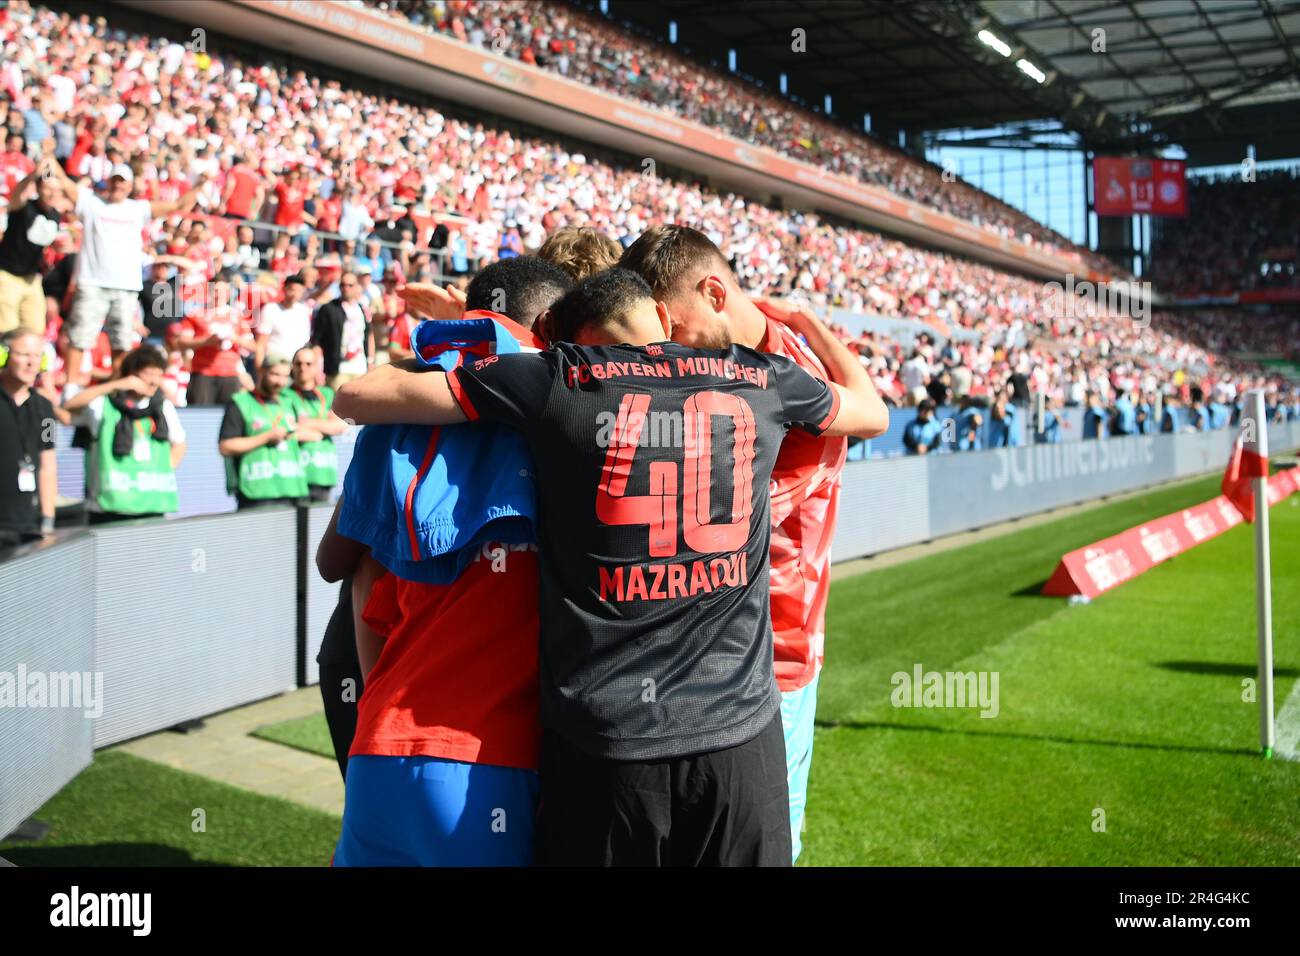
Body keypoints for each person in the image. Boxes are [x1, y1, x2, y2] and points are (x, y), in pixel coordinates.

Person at [335, 267, 888, 866]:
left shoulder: (562, 379)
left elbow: (358, 397)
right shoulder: (758, 376)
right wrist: (803, 319)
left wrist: (466, 331)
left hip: (606, 744)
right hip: (737, 734)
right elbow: (871, 412)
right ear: (662, 312)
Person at [620, 224, 876, 861]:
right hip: (709, 653)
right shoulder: (759, 340)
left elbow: (714, 516)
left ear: (711, 292)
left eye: (671, 329)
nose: (664, 350)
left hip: (771, 657)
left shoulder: (792, 390)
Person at [45, 159, 207, 385]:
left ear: (130, 186)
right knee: (80, 338)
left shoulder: (137, 209)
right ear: (108, 182)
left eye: (123, 182)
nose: (118, 186)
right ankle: (71, 387)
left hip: (125, 287)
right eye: (115, 181)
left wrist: (199, 186)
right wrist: (49, 157)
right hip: (92, 283)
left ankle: (116, 387)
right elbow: (64, 183)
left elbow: (177, 206)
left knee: (120, 342)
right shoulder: (91, 202)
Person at [61, 345, 186, 523]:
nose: (154, 382)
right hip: (110, 506)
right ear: (131, 374)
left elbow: (180, 443)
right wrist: (115, 385)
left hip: (153, 504)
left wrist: (162, 470)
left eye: (159, 375)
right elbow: (69, 406)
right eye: (149, 374)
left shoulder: (163, 407)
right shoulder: (104, 404)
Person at [217, 356, 321, 509]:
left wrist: (293, 434)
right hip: (257, 491)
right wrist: (267, 437)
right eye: (275, 375)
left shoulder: (288, 401)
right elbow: (226, 446)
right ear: (262, 371)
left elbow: (313, 433)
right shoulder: (241, 402)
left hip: (293, 489)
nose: (280, 382)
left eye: (286, 376)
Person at [0, 329, 56, 549]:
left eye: (37, 356)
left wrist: (48, 520)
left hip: (27, 526)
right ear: (3, 355)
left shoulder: (44, 408)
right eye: (24, 355)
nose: (32, 363)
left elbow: (48, 464)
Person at [170, 271, 255, 406]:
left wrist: (234, 338)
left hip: (230, 374)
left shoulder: (237, 316)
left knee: (229, 416)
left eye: (222, 291)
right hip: (203, 374)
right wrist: (207, 341)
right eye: (215, 291)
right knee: (201, 416)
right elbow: (181, 343)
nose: (218, 295)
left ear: (228, 293)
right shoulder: (195, 315)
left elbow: (253, 346)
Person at [0, 156, 61, 335]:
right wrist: (33, 175)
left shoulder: (55, 215)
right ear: (39, 189)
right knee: (7, 330)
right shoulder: (25, 208)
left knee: (35, 329)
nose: (52, 194)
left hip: (31, 278)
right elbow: (16, 195)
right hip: (8, 274)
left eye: (56, 191)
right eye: (48, 189)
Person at [280, 346, 347, 502]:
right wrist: (322, 428)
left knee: (318, 525)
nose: (303, 368)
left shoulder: (327, 393)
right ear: (292, 366)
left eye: (308, 364)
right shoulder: (283, 394)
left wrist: (309, 423)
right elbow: (288, 429)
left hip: (323, 471)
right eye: (298, 364)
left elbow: (340, 426)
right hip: (295, 472)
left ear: (317, 367)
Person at [311, 271, 371, 388]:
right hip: (337, 368)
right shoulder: (328, 308)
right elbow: (317, 340)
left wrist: (370, 361)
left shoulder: (362, 309)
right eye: (342, 285)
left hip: (360, 366)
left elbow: (368, 335)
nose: (346, 288)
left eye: (350, 285)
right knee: (337, 404)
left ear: (357, 287)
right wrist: (317, 368)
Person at [255, 273, 312, 369]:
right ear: (284, 289)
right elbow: (261, 343)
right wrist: (259, 370)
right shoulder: (271, 309)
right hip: (275, 364)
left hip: (297, 366)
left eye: (299, 291)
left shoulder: (304, 310)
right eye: (291, 289)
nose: (294, 294)